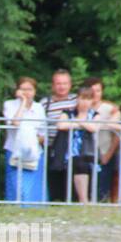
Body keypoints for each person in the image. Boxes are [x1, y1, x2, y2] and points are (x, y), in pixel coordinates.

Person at [2, 76, 46, 205]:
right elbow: (15, 122)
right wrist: (23, 103)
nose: (26, 92)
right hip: (14, 149)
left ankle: (33, 207)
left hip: (34, 151)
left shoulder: (39, 107)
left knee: (32, 187)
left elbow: (42, 133)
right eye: (23, 89)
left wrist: (31, 142)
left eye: (29, 89)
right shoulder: (9, 104)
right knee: (16, 185)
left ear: (35, 91)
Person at [41, 69, 77, 201]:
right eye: (58, 83)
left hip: (71, 146)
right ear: (53, 85)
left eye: (65, 83)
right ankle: (54, 200)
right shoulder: (45, 103)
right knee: (53, 175)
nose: (62, 87)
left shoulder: (76, 100)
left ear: (70, 84)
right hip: (50, 145)